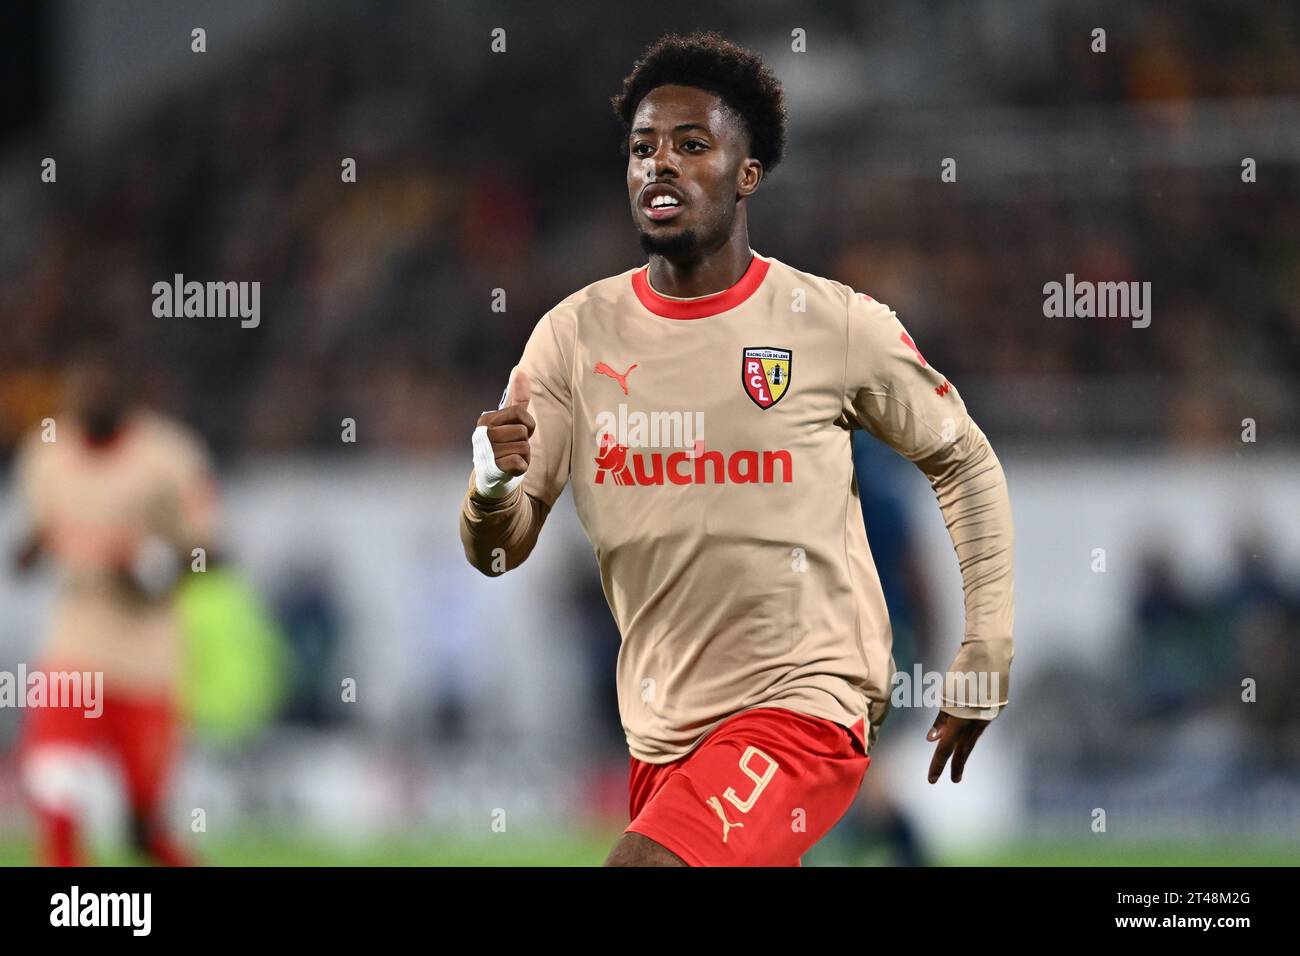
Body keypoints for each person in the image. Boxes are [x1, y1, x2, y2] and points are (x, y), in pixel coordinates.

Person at [459, 32, 1015, 866]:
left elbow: (963, 460)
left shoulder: (832, 324)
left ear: (747, 173)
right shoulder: (572, 338)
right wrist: (491, 487)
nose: (660, 166)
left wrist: (987, 644)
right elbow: (499, 550)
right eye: (643, 148)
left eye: (691, 145)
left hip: (807, 705)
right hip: (665, 730)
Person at [10, 349, 217, 865]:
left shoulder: (169, 456)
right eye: (82, 391)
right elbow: (24, 553)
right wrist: (33, 548)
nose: (89, 402)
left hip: (145, 658)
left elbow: (211, 554)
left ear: (128, 396)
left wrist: (155, 567)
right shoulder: (46, 453)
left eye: (102, 391)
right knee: (55, 793)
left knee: (143, 829)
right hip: (75, 648)